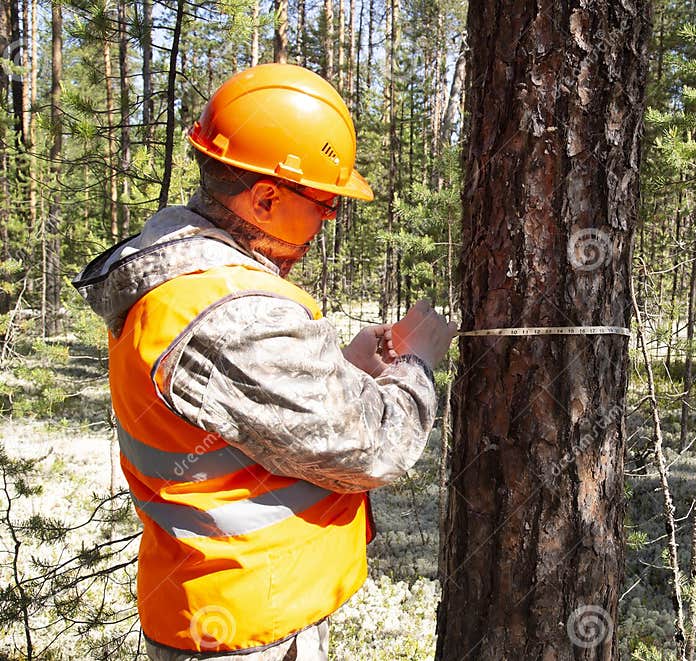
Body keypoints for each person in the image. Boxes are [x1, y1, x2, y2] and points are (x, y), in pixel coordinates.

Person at [72, 63, 457, 660]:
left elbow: (252, 424)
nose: (328, 221)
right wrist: (418, 362)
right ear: (266, 197)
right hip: (242, 628)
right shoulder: (234, 317)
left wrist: (345, 366)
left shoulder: (189, 283)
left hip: (236, 607)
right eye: (325, 203)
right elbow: (376, 448)